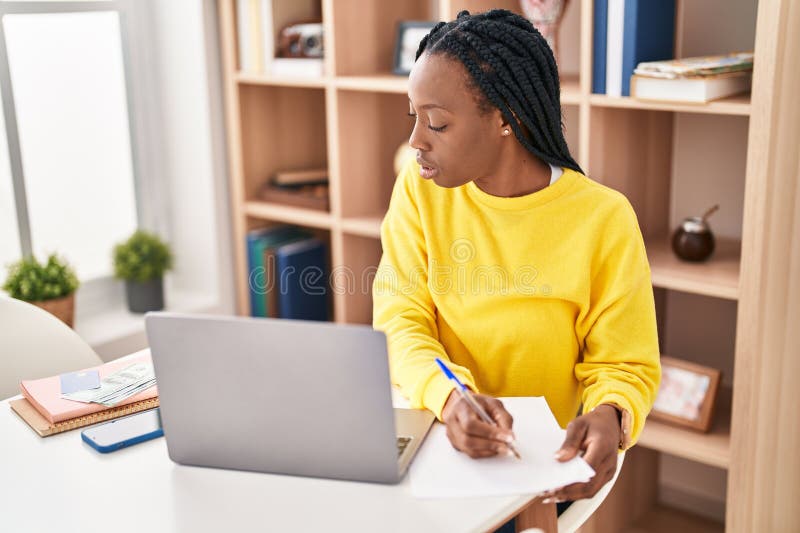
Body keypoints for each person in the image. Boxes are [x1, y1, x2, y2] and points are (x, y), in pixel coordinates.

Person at [372, 9, 661, 516]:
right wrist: (451, 396)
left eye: (437, 122)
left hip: (536, 469)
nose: (417, 140)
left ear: (506, 117)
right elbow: (400, 320)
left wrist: (611, 415)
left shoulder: (603, 219)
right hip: (436, 444)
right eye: (414, 116)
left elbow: (624, 362)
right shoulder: (420, 193)